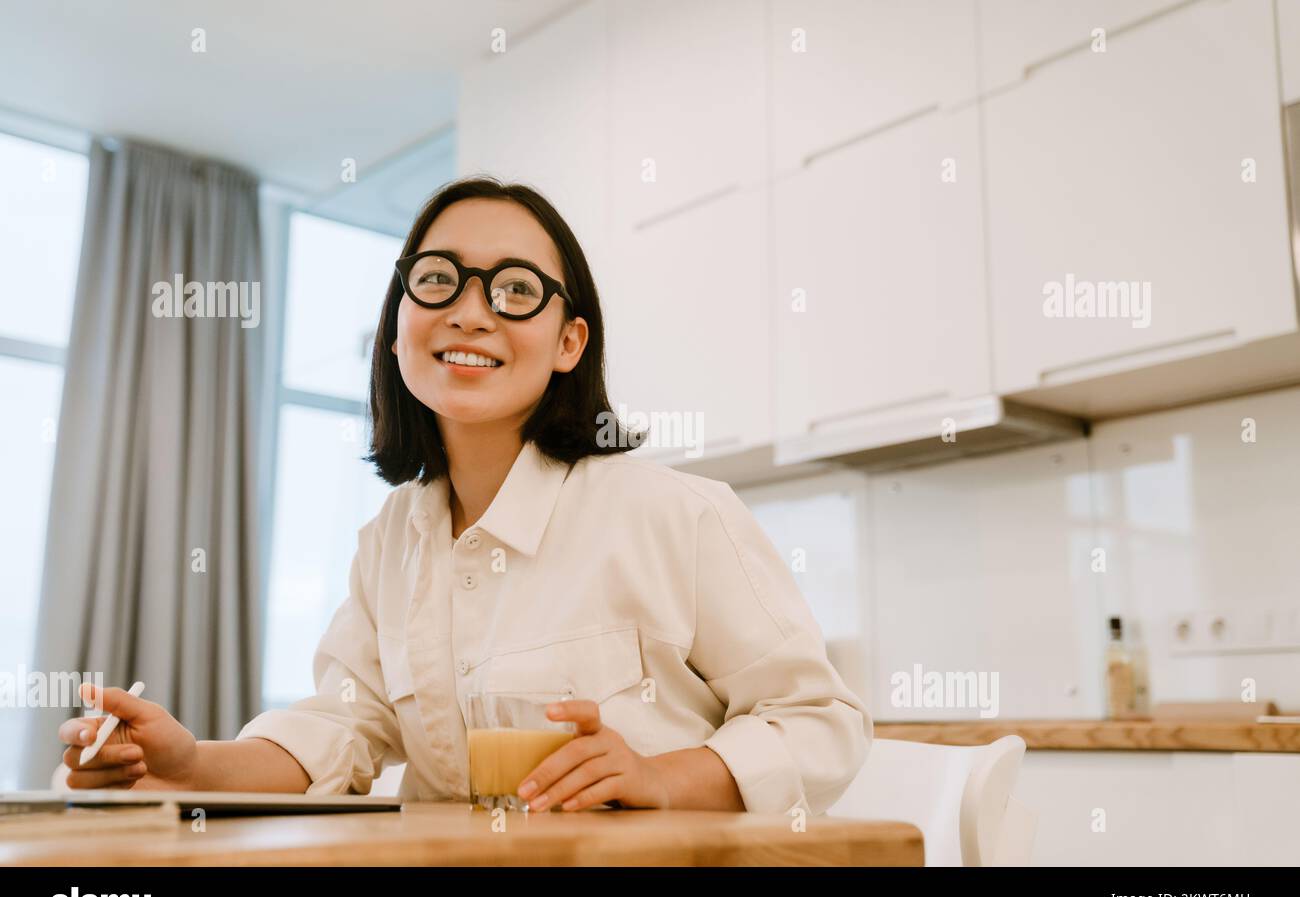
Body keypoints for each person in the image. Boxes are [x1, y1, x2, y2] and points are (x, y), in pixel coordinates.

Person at [59, 176, 871, 814]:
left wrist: (662, 776)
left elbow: (822, 721)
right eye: (440, 281)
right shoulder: (390, 537)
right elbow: (344, 727)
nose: (471, 313)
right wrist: (188, 763)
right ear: (398, 324)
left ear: (568, 341)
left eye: (515, 289)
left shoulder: (675, 515)